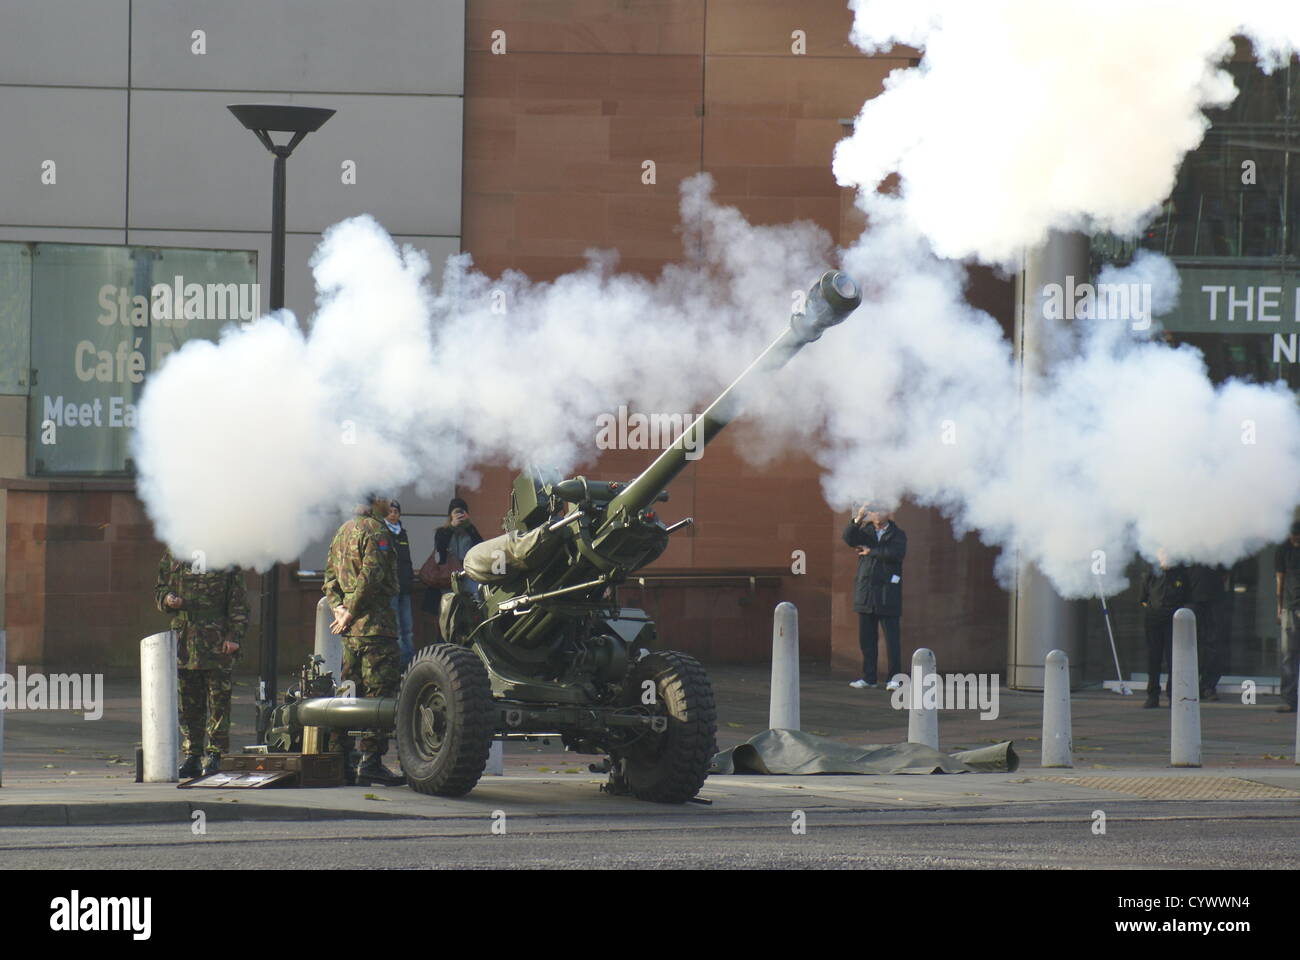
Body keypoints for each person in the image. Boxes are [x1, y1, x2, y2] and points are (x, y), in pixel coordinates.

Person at [324, 493, 406, 786]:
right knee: (379, 697)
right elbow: (371, 577)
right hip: (376, 628)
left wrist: (340, 608)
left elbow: (330, 578)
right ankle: (370, 762)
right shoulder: (377, 530)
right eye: (386, 496)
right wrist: (350, 612)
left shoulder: (343, 531)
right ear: (374, 500)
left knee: (348, 693)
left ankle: (341, 760)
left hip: (350, 632)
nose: (390, 502)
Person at [154, 548, 248, 779]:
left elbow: (238, 601)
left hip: (215, 636)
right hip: (185, 638)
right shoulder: (176, 551)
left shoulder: (224, 552)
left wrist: (234, 636)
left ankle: (216, 753)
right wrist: (166, 599)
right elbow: (160, 587)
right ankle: (193, 754)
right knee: (188, 700)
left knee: (218, 699)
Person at [843, 504, 907, 691]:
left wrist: (872, 552)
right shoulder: (866, 532)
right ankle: (869, 677)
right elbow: (848, 538)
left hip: (888, 594)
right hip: (866, 593)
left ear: (888, 513)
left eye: (881, 511)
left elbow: (896, 554)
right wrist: (858, 518)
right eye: (873, 512)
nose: (877, 515)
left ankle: (894, 678)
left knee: (892, 640)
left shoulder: (897, 534)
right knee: (867, 640)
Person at [421, 497, 485, 640]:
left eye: (463, 512)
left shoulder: (470, 530)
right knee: (448, 614)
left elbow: (481, 548)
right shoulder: (443, 531)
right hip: (448, 580)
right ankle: (444, 643)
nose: (460, 514)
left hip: (469, 578)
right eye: (456, 512)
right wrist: (452, 527)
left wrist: (468, 526)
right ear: (450, 514)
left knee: (470, 613)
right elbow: (440, 550)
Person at [1138, 548, 1189, 709]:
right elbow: (1143, 599)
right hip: (1154, 620)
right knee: (1154, 659)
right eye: (1162, 554)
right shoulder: (1151, 575)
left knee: (1173, 659)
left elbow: (1187, 597)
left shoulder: (1181, 574)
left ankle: (1173, 696)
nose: (1165, 557)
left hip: (1174, 621)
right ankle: (1153, 695)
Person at [1187, 563, 1229, 701]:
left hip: (1213, 599)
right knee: (1190, 644)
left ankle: (1208, 685)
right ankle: (1190, 685)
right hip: (1192, 598)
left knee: (1214, 644)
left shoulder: (1217, 547)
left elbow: (1225, 572)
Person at [385, 500, 415, 672]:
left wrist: (409, 580)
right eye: (390, 511)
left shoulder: (403, 534)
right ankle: (397, 664)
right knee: (395, 627)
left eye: (396, 511)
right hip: (391, 589)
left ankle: (408, 663)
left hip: (404, 587)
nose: (393, 514)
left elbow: (407, 561)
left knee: (407, 629)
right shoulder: (383, 533)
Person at [1274, 521, 1300, 714]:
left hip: (1290, 606)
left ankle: (1290, 699)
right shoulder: (1284, 549)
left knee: (1289, 655)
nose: (1295, 540)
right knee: (1288, 655)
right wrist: (1279, 608)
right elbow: (1280, 579)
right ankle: (1289, 699)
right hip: (1290, 607)